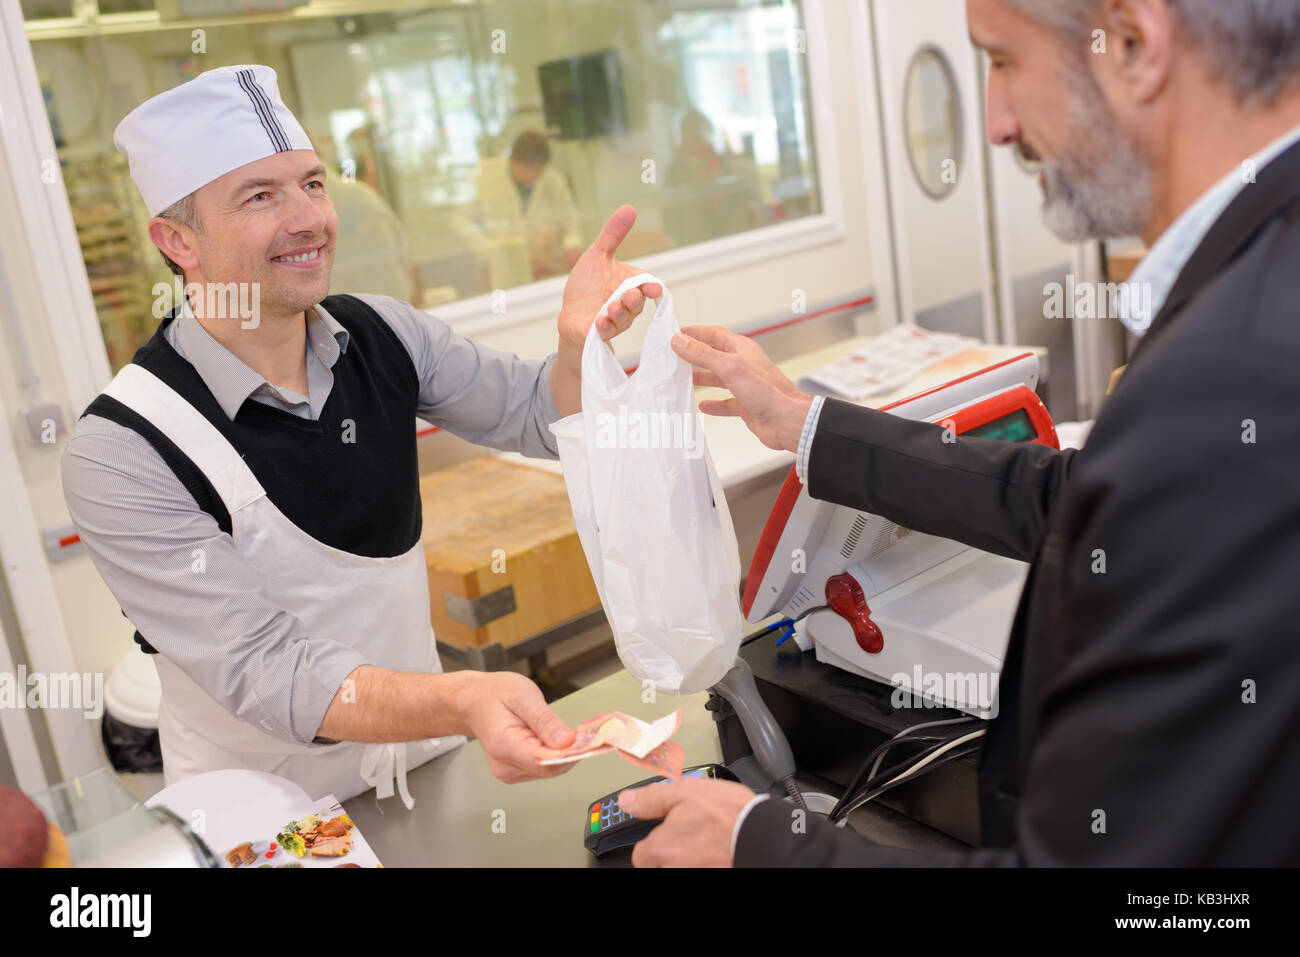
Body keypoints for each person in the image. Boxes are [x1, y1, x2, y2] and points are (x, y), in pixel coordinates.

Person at [623, 0, 1300, 865]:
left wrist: (762, 842)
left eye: (1003, 60)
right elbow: (1066, 494)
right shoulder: (1254, 278)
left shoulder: (1234, 372)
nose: (994, 122)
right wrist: (805, 426)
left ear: (1133, 41)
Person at [61, 64, 660, 806]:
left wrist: (579, 347)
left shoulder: (384, 335)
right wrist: (462, 699)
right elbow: (265, 669)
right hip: (261, 818)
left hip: (423, 774)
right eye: (260, 196)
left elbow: (538, 412)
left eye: (313, 183)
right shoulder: (124, 449)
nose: (310, 217)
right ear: (177, 241)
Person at [466, 130, 582, 280]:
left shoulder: (553, 180)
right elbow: (461, 221)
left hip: (544, 271)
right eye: (528, 168)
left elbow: (570, 220)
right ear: (513, 161)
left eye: (538, 169)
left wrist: (571, 246)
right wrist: (489, 253)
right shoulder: (485, 179)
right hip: (501, 272)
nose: (533, 174)